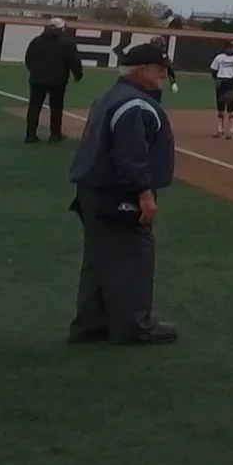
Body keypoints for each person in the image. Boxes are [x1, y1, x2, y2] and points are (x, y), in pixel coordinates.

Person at [65, 40, 178, 345]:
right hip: (117, 193)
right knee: (134, 255)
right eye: (158, 70)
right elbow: (130, 157)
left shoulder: (112, 96)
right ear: (142, 70)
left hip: (93, 189)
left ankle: (91, 323)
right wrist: (143, 193)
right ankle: (134, 325)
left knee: (99, 258)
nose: (162, 77)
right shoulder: (135, 105)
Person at [24, 17, 83, 143]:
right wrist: (78, 75)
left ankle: (30, 135)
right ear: (62, 29)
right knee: (56, 108)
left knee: (34, 107)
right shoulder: (67, 43)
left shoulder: (36, 41)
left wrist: (34, 71)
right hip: (58, 80)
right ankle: (55, 134)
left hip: (37, 79)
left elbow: (28, 59)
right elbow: (74, 61)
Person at [209, 41, 233, 139]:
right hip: (221, 81)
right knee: (220, 107)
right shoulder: (219, 57)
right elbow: (214, 70)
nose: (231, 49)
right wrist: (216, 80)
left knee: (230, 107)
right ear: (225, 48)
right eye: (229, 47)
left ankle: (230, 131)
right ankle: (219, 130)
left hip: (231, 82)